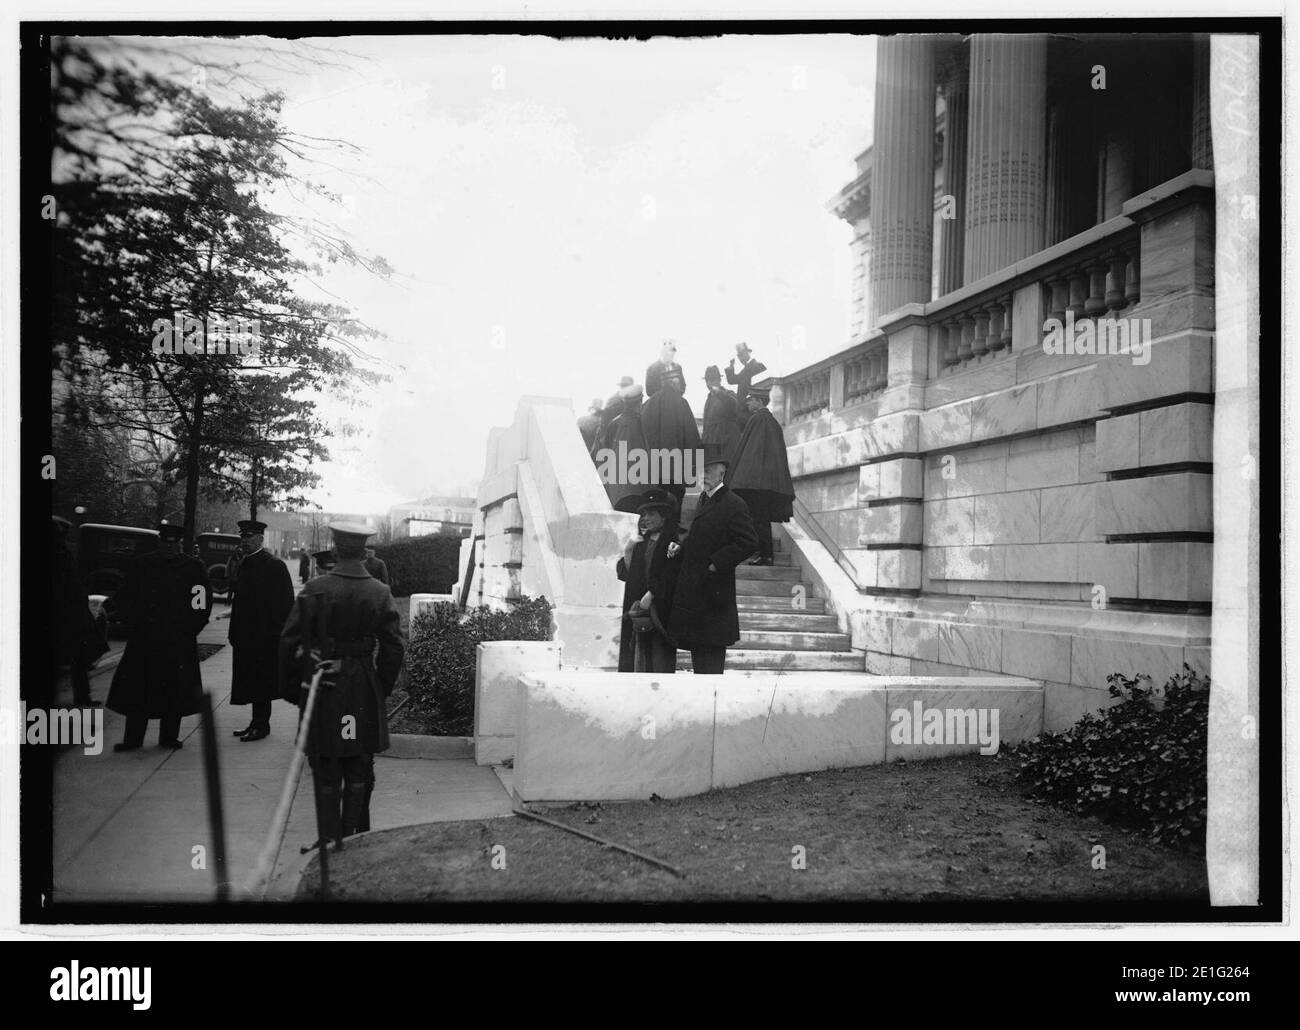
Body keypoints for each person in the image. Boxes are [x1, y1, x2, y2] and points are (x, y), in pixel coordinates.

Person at [279, 522, 404, 844]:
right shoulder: (379, 592)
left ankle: (329, 841)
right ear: (364, 552)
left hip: (324, 686)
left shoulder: (315, 589)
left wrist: (295, 689)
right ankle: (357, 841)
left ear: (334, 549)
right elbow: (393, 648)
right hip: (362, 686)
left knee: (325, 766)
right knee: (360, 767)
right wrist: (380, 687)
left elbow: (288, 642)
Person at [106, 522, 211, 750]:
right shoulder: (142, 565)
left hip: (178, 640)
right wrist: (132, 625)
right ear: (160, 542)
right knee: (139, 691)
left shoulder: (193, 568)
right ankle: (133, 739)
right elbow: (124, 598)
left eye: (175, 544)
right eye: (166, 543)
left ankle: (168, 737)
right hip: (145, 638)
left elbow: (201, 603)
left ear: (181, 545)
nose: (170, 548)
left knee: (174, 691)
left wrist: (190, 630)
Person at [666, 446, 758, 674]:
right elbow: (700, 535)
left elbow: (748, 542)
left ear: (722, 473)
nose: (703, 475)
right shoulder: (704, 500)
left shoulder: (733, 503)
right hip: (699, 591)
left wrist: (716, 562)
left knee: (712, 657)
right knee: (700, 651)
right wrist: (681, 545)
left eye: (708, 470)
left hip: (715, 592)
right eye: (701, 471)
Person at [228, 518, 295, 742]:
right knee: (251, 681)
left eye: (248, 537)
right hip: (246, 636)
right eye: (242, 537)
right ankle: (255, 723)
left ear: (260, 538)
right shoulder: (245, 563)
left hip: (265, 638)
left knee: (262, 684)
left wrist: (275, 634)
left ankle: (261, 726)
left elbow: (286, 604)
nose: (244, 541)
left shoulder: (274, 565)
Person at [727, 386, 795, 565]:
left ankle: (765, 555)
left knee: (758, 520)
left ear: (758, 400)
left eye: (751, 399)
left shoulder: (757, 420)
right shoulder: (772, 422)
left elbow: (750, 453)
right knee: (761, 519)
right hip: (768, 483)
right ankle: (765, 554)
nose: (748, 401)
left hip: (755, 483)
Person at [615, 488, 681, 674]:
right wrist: (628, 551)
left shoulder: (673, 542)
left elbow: (671, 574)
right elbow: (626, 574)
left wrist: (651, 594)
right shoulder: (640, 541)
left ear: (664, 517)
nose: (645, 518)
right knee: (634, 655)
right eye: (643, 514)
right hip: (636, 607)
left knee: (658, 658)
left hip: (658, 609)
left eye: (651, 514)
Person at [52, 516, 107, 708]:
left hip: (69, 611)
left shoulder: (61, 553)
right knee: (78, 657)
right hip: (67, 612)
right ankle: (82, 696)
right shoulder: (60, 554)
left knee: (77, 657)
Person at [639, 364, 701, 510]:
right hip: (676, 470)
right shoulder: (682, 403)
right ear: (675, 381)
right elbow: (692, 439)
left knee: (655, 507)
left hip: (652, 470)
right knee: (674, 507)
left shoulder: (648, 404)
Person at [601, 382, 649, 513]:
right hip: (635, 488)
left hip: (615, 486)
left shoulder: (614, 423)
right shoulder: (641, 423)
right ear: (639, 402)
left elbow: (605, 452)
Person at [701, 365, 741, 469]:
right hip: (712, 448)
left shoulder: (728, 394)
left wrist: (719, 392)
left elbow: (734, 406)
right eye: (708, 380)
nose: (709, 383)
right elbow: (706, 426)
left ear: (719, 380)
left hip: (726, 447)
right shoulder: (709, 399)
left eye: (713, 379)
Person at [725, 342, 768, 428]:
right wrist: (731, 366)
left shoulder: (757, 366)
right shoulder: (746, 369)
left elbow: (761, 389)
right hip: (744, 409)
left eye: (742, 354)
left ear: (748, 353)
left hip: (751, 408)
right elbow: (732, 380)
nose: (740, 358)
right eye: (739, 356)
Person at [591, 376, 633, 457]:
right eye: (624, 386)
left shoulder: (625, 399)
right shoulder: (616, 399)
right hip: (610, 441)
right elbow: (605, 420)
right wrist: (604, 440)